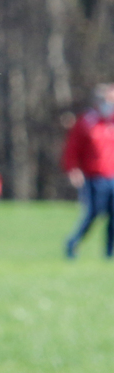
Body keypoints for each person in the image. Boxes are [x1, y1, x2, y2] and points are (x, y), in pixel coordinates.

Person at [61, 84, 114, 258]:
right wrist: (73, 169)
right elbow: (72, 148)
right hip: (94, 177)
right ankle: (72, 243)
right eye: (107, 100)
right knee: (94, 213)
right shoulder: (86, 122)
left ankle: (109, 254)